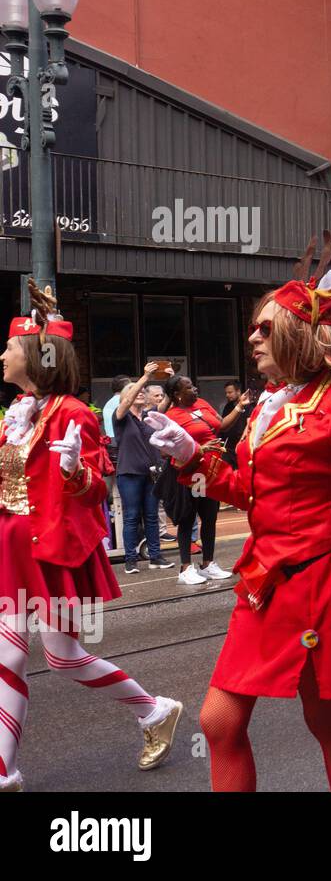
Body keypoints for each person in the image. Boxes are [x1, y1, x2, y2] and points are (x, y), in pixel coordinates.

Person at [148, 246, 331, 791]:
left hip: (317, 582)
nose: (252, 338)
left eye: (263, 329)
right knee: (219, 720)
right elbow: (247, 492)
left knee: (325, 718)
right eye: (253, 330)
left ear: (297, 338)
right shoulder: (270, 404)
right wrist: (191, 456)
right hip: (264, 581)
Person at [0, 282, 183, 792]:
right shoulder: (19, 412)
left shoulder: (72, 413)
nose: (1, 354)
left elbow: (94, 490)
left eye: (9, 348)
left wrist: (76, 471)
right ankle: (5, 771)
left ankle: (154, 708)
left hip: (51, 552)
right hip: (13, 548)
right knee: (10, 655)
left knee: (61, 657)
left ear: (36, 357)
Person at [160, 375, 233, 586]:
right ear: (177, 395)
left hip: (209, 471)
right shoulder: (171, 416)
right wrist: (198, 449)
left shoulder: (201, 405)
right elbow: (165, 451)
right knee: (187, 518)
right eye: (188, 387)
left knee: (209, 516)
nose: (194, 390)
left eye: (193, 385)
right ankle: (185, 568)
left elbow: (220, 425)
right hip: (188, 472)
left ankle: (208, 563)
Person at [113, 363, 173, 574]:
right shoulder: (120, 416)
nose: (137, 394)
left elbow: (166, 402)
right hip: (129, 474)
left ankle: (155, 557)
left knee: (151, 515)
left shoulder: (149, 415)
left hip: (151, 473)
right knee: (130, 516)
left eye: (139, 392)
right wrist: (143, 379)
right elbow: (127, 400)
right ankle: (131, 560)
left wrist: (170, 382)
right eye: (132, 392)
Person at [219, 381, 250, 469]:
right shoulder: (228, 406)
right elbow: (223, 424)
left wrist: (242, 442)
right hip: (229, 447)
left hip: (242, 445)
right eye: (226, 393)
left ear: (238, 391)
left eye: (230, 392)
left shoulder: (249, 406)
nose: (227, 395)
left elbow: (250, 424)